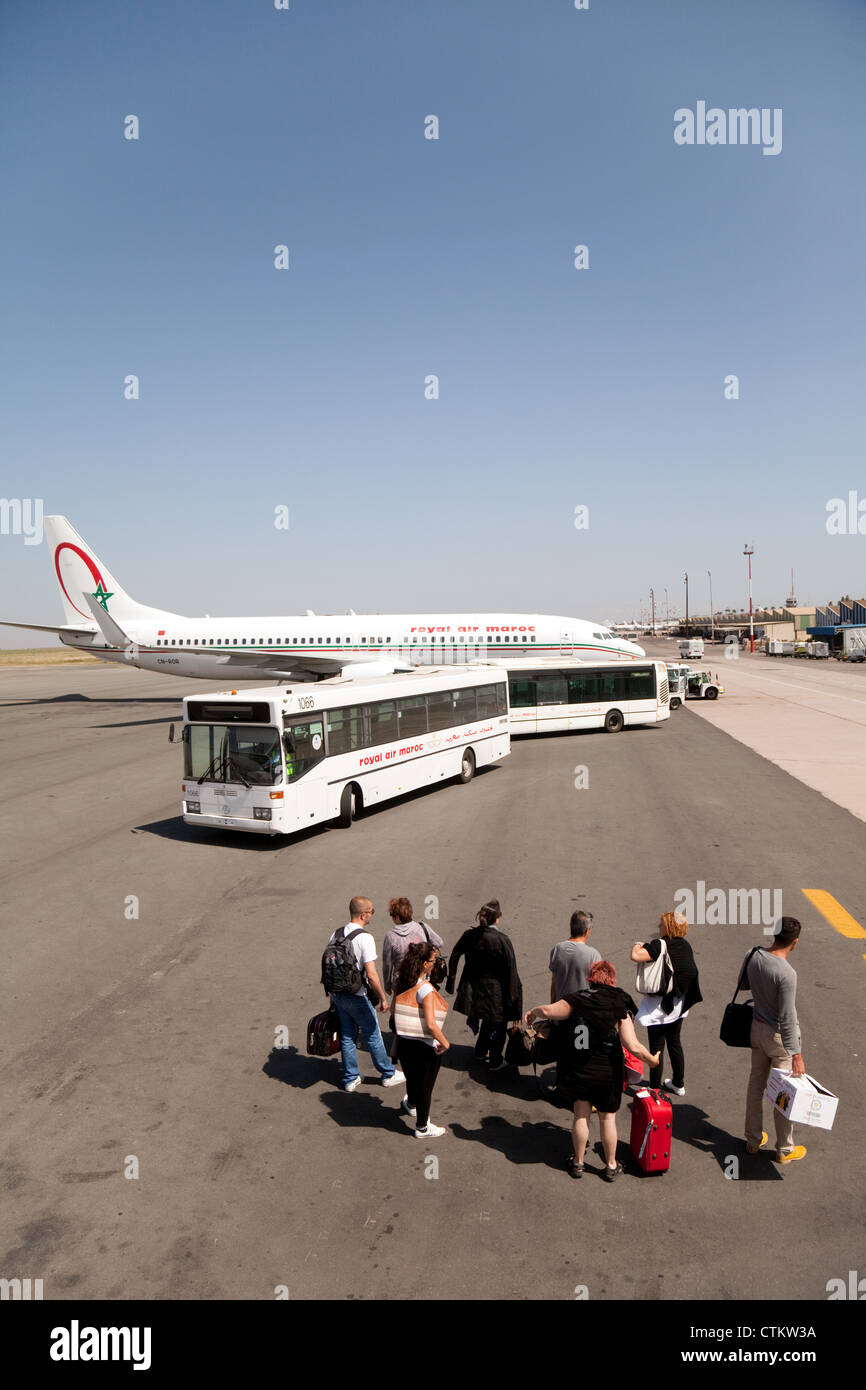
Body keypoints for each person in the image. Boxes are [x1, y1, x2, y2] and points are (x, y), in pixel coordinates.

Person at [526, 960, 659, 1181]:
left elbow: (550, 1011)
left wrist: (533, 1012)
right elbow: (631, 1044)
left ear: (591, 979)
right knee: (607, 1119)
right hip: (608, 1072)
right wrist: (651, 1060)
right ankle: (610, 1165)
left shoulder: (577, 999)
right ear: (612, 979)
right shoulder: (620, 1000)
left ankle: (578, 1163)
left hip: (579, 1068)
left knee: (581, 1115)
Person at [743, 917, 807, 1163]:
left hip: (756, 1029)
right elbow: (788, 1017)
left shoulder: (754, 954)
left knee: (755, 1086)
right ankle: (785, 1149)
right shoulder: (787, 973)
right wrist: (797, 1054)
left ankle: (753, 1139)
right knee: (783, 1094)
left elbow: (745, 983)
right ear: (795, 942)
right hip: (779, 1040)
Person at [326, 896, 405, 1094]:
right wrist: (383, 998)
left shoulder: (335, 934)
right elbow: (371, 974)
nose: (372, 915)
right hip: (357, 995)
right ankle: (388, 1073)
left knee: (347, 1034)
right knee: (372, 1033)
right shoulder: (365, 938)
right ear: (363, 914)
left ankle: (350, 1078)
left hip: (338, 994)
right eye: (371, 911)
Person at [631, 910, 702, 1096]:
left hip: (658, 1007)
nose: (658, 926)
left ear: (669, 927)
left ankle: (654, 1088)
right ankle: (678, 1083)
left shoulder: (659, 945)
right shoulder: (685, 946)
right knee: (675, 1042)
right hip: (678, 1006)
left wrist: (637, 946)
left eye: (661, 924)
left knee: (656, 1047)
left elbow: (637, 957)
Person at [446, 900, 523, 1070]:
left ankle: (480, 1051)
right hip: (497, 991)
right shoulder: (502, 940)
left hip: (475, 987)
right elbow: (511, 970)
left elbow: (455, 954)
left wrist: (451, 980)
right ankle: (495, 1060)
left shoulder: (471, 935)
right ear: (498, 918)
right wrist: (515, 999)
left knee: (487, 1021)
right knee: (498, 1024)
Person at [392, 942, 450, 1138]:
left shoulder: (402, 980)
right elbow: (432, 1025)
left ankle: (410, 1103)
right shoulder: (425, 989)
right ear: (425, 963)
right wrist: (445, 1043)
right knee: (426, 1086)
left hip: (403, 1042)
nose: (435, 964)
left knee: (412, 1077)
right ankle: (422, 1127)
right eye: (433, 960)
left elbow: (393, 1011)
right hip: (424, 1046)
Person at [382, 898, 445, 995]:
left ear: (397, 917)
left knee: (401, 1008)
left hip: (401, 983)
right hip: (422, 980)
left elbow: (387, 964)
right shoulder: (422, 927)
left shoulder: (391, 937)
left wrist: (387, 985)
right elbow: (439, 942)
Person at [549, 910, 601, 1002]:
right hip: (583, 1010)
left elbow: (554, 983)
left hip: (560, 1009)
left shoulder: (557, 949)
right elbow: (599, 988)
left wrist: (552, 1007)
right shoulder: (594, 955)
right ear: (587, 931)